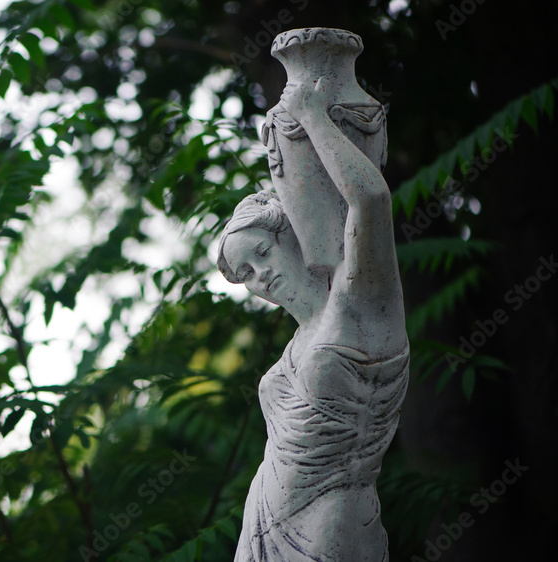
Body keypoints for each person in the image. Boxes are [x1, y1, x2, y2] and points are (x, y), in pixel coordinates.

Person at [217, 77, 409, 561]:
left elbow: (371, 203)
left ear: (289, 236)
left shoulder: (357, 298)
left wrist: (313, 118)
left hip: (333, 524)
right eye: (245, 274)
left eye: (261, 253)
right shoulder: (289, 354)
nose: (259, 276)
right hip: (261, 529)